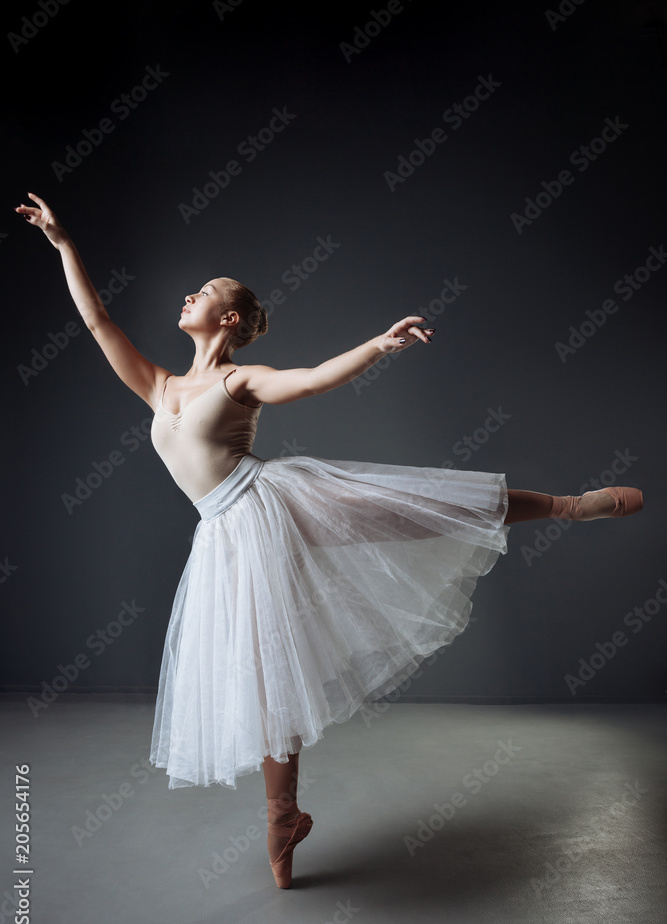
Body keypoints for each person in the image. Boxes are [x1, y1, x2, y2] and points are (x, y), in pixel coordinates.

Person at [16, 192, 643, 889]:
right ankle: (282, 814)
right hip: (222, 532)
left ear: (225, 318)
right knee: (262, 670)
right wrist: (63, 242)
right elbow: (97, 321)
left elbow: (311, 381)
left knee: (412, 509)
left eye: (202, 292)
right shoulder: (159, 385)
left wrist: (377, 344)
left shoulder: (239, 377)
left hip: (267, 501)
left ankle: (564, 506)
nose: (186, 295)